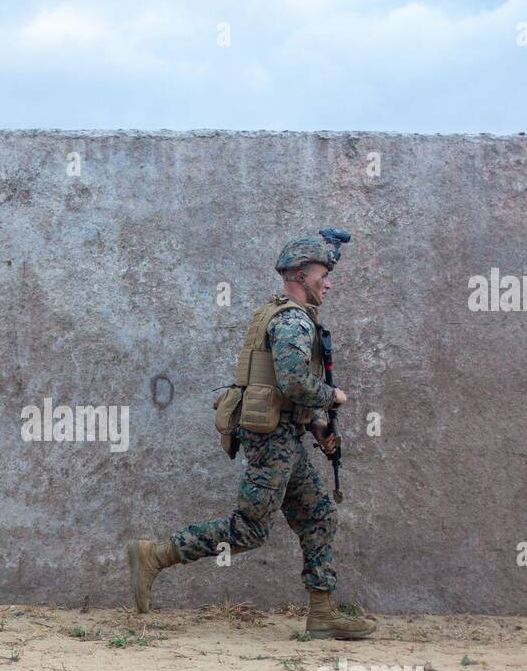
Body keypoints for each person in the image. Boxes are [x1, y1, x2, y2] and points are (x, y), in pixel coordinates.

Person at [126, 228, 377, 639]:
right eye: (321, 274)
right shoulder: (293, 321)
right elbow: (295, 381)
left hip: (284, 438)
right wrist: (334, 397)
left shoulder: (280, 313)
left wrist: (314, 425)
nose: (328, 282)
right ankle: (155, 555)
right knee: (249, 531)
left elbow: (277, 387)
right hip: (272, 441)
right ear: (299, 274)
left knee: (318, 515)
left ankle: (323, 613)